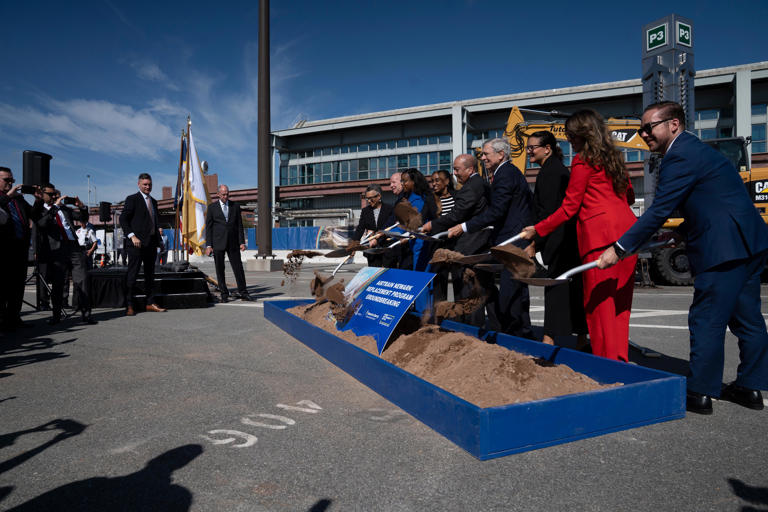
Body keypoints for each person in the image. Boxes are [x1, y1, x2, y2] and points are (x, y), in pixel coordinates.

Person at [598, 101, 768, 414]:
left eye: (649, 127)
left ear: (673, 124)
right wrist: (684, 231)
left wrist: (619, 248)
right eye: (641, 129)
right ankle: (751, 387)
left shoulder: (679, 156)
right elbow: (716, 200)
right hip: (750, 243)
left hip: (722, 249)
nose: (644, 134)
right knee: (749, 320)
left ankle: (700, 393)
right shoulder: (701, 151)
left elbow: (660, 209)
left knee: (706, 319)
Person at [520, 110, 637, 361]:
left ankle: (605, 366)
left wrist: (537, 229)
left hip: (599, 238)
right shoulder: (615, 158)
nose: (569, 141)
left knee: (599, 308)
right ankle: (620, 361)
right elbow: (629, 196)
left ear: (583, 135)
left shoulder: (584, 161)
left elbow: (569, 207)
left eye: (572, 136)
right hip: (627, 235)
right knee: (619, 308)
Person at [448, 138, 535, 339]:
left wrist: (464, 226)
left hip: (512, 240)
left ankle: (517, 337)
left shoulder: (505, 175)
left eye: (486, 154)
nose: (483, 157)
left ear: (500, 155)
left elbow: (497, 211)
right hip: (512, 238)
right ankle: (522, 335)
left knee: (511, 293)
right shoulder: (507, 173)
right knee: (515, 293)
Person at [525, 131, 589, 348]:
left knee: (556, 288)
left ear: (547, 148)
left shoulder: (551, 172)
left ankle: (549, 339)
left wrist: (535, 241)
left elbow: (550, 211)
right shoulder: (553, 169)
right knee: (572, 289)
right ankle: (580, 338)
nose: (529, 151)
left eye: (532, 147)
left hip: (560, 238)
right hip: (564, 237)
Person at [423, 154, 492, 323]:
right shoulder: (477, 183)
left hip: (472, 244)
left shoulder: (471, 186)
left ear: (470, 169)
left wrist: (433, 225)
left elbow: (457, 214)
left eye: (457, 169)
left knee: (469, 289)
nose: (455, 173)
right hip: (473, 243)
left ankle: (472, 328)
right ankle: (468, 324)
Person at [32, 184, 96, 325]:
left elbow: (82, 218)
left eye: (55, 193)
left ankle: (86, 314)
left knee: (82, 279)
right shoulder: (40, 209)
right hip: (56, 249)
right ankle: (56, 315)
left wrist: (82, 206)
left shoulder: (64, 209)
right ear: (42, 194)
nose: (55, 196)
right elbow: (42, 225)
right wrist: (54, 207)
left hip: (73, 246)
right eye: (51, 194)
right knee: (58, 283)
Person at [120, 173, 167, 315]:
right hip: (136, 244)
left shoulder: (154, 201)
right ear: (139, 184)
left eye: (149, 184)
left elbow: (155, 222)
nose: (148, 187)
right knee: (132, 274)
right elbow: (123, 219)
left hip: (151, 244)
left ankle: (150, 303)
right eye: (145, 184)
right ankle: (129, 305)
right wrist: (132, 236)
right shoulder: (132, 199)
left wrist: (159, 241)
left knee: (149, 275)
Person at [205, 185, 252, 302]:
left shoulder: (235, 206)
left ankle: (243, 292)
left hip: (233, 243)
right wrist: (209, 245)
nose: (226, 196)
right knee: (220, 269)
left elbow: (239, 225)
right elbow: (209, 228)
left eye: (227, 194)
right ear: (218, 194)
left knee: (238, 268)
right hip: (218, 243)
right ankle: (224, 294)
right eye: (223, 194)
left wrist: (242, 242)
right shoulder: (212, 208)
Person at [0, 167, 33, 331]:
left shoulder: (18, 199)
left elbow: (35, 214)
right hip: (4, 249)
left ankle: (14, 317)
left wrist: (39, 199)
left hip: (20, 247)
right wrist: (7, 197)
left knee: (18, 285)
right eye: (7, 180)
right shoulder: (5, 198)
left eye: (12, 180)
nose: (11, 183)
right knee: (3, 286)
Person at [400, 168, 437, 271]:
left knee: (421, 276)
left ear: (414, 182)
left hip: (421, 243)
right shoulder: (410, 197)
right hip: (414, 242)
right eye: (401, 181)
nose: (402, 184)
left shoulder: (419, 199)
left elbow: (416, 222)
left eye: (405, 181)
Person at [352, 184, 394, 268]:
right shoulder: (365, 211)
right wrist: (354, 244)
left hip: (387, 249)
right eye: (367, 198)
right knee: (373, 275)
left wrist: (377, 238)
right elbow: (360, 228)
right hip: (372, 251)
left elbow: (390, 227)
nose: (369, 201)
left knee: (388, 275)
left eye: (371, 198)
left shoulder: (390, 209)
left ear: (379, 196)